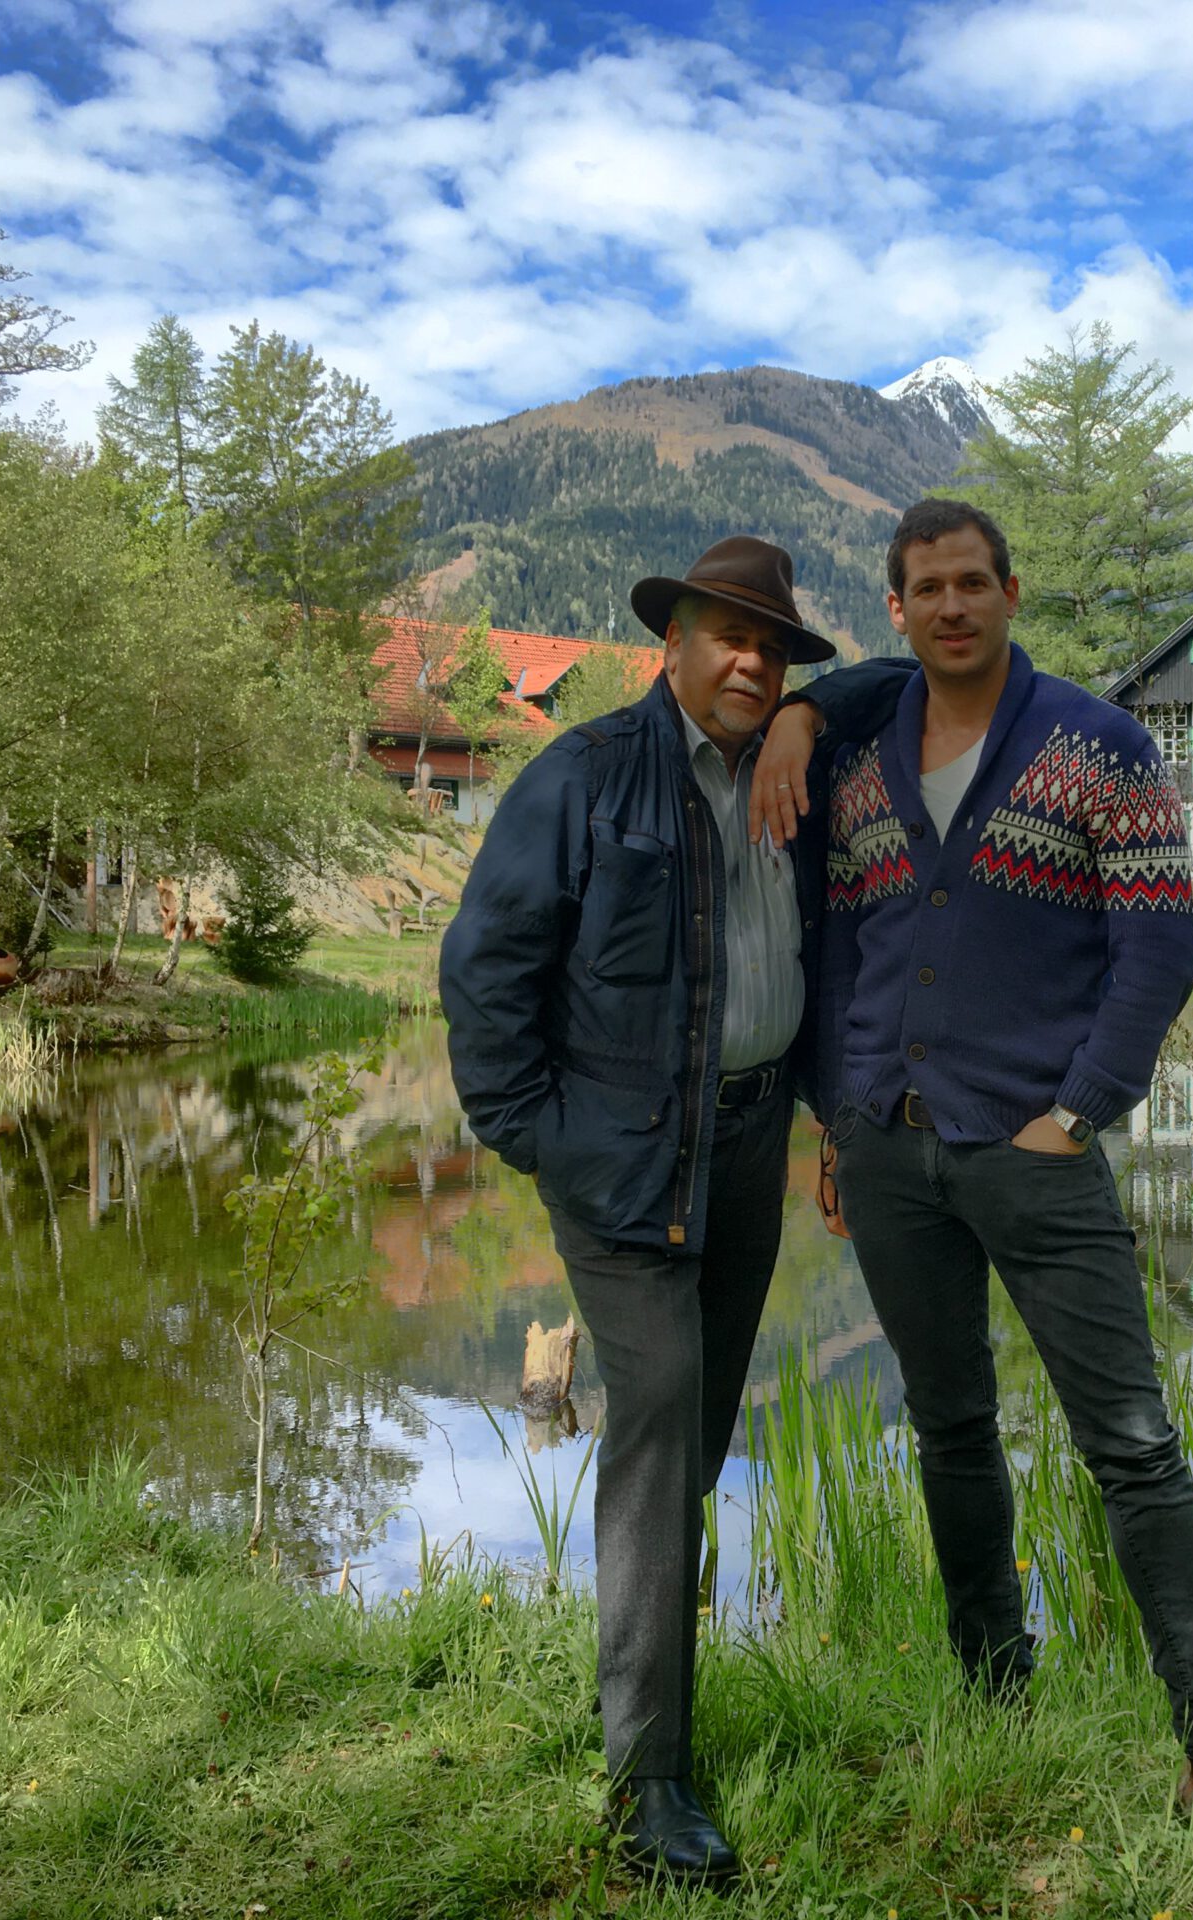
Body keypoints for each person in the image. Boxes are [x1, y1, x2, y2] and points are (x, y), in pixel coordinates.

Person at [750, 498, 1193, 1839]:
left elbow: (1158, 950)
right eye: (928, 589)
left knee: (1134, 1445)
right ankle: (995, 1698)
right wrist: (836, 1119)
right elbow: (834, 947)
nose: (954, 606)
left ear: (1010, 591)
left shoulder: (1103, 747)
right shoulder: (859, 753)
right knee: (951, 1429)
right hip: (889, 1151)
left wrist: (1082, 1109)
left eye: (974, 582)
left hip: (1040, 1154)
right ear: (899, 609)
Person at [439, 535, 837, 1884]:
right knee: (660, 1428)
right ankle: (650, 1790)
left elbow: (912, 677)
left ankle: (651, 1701)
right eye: (725, 635)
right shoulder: (588, 776)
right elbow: (485, 966)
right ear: (670, 641)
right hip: (621, 1164)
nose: (747, 659)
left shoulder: (796, 772)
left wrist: (811, 714)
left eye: (770, 647)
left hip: (747, 1148)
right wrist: (534, 1138)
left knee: (694, 1434)